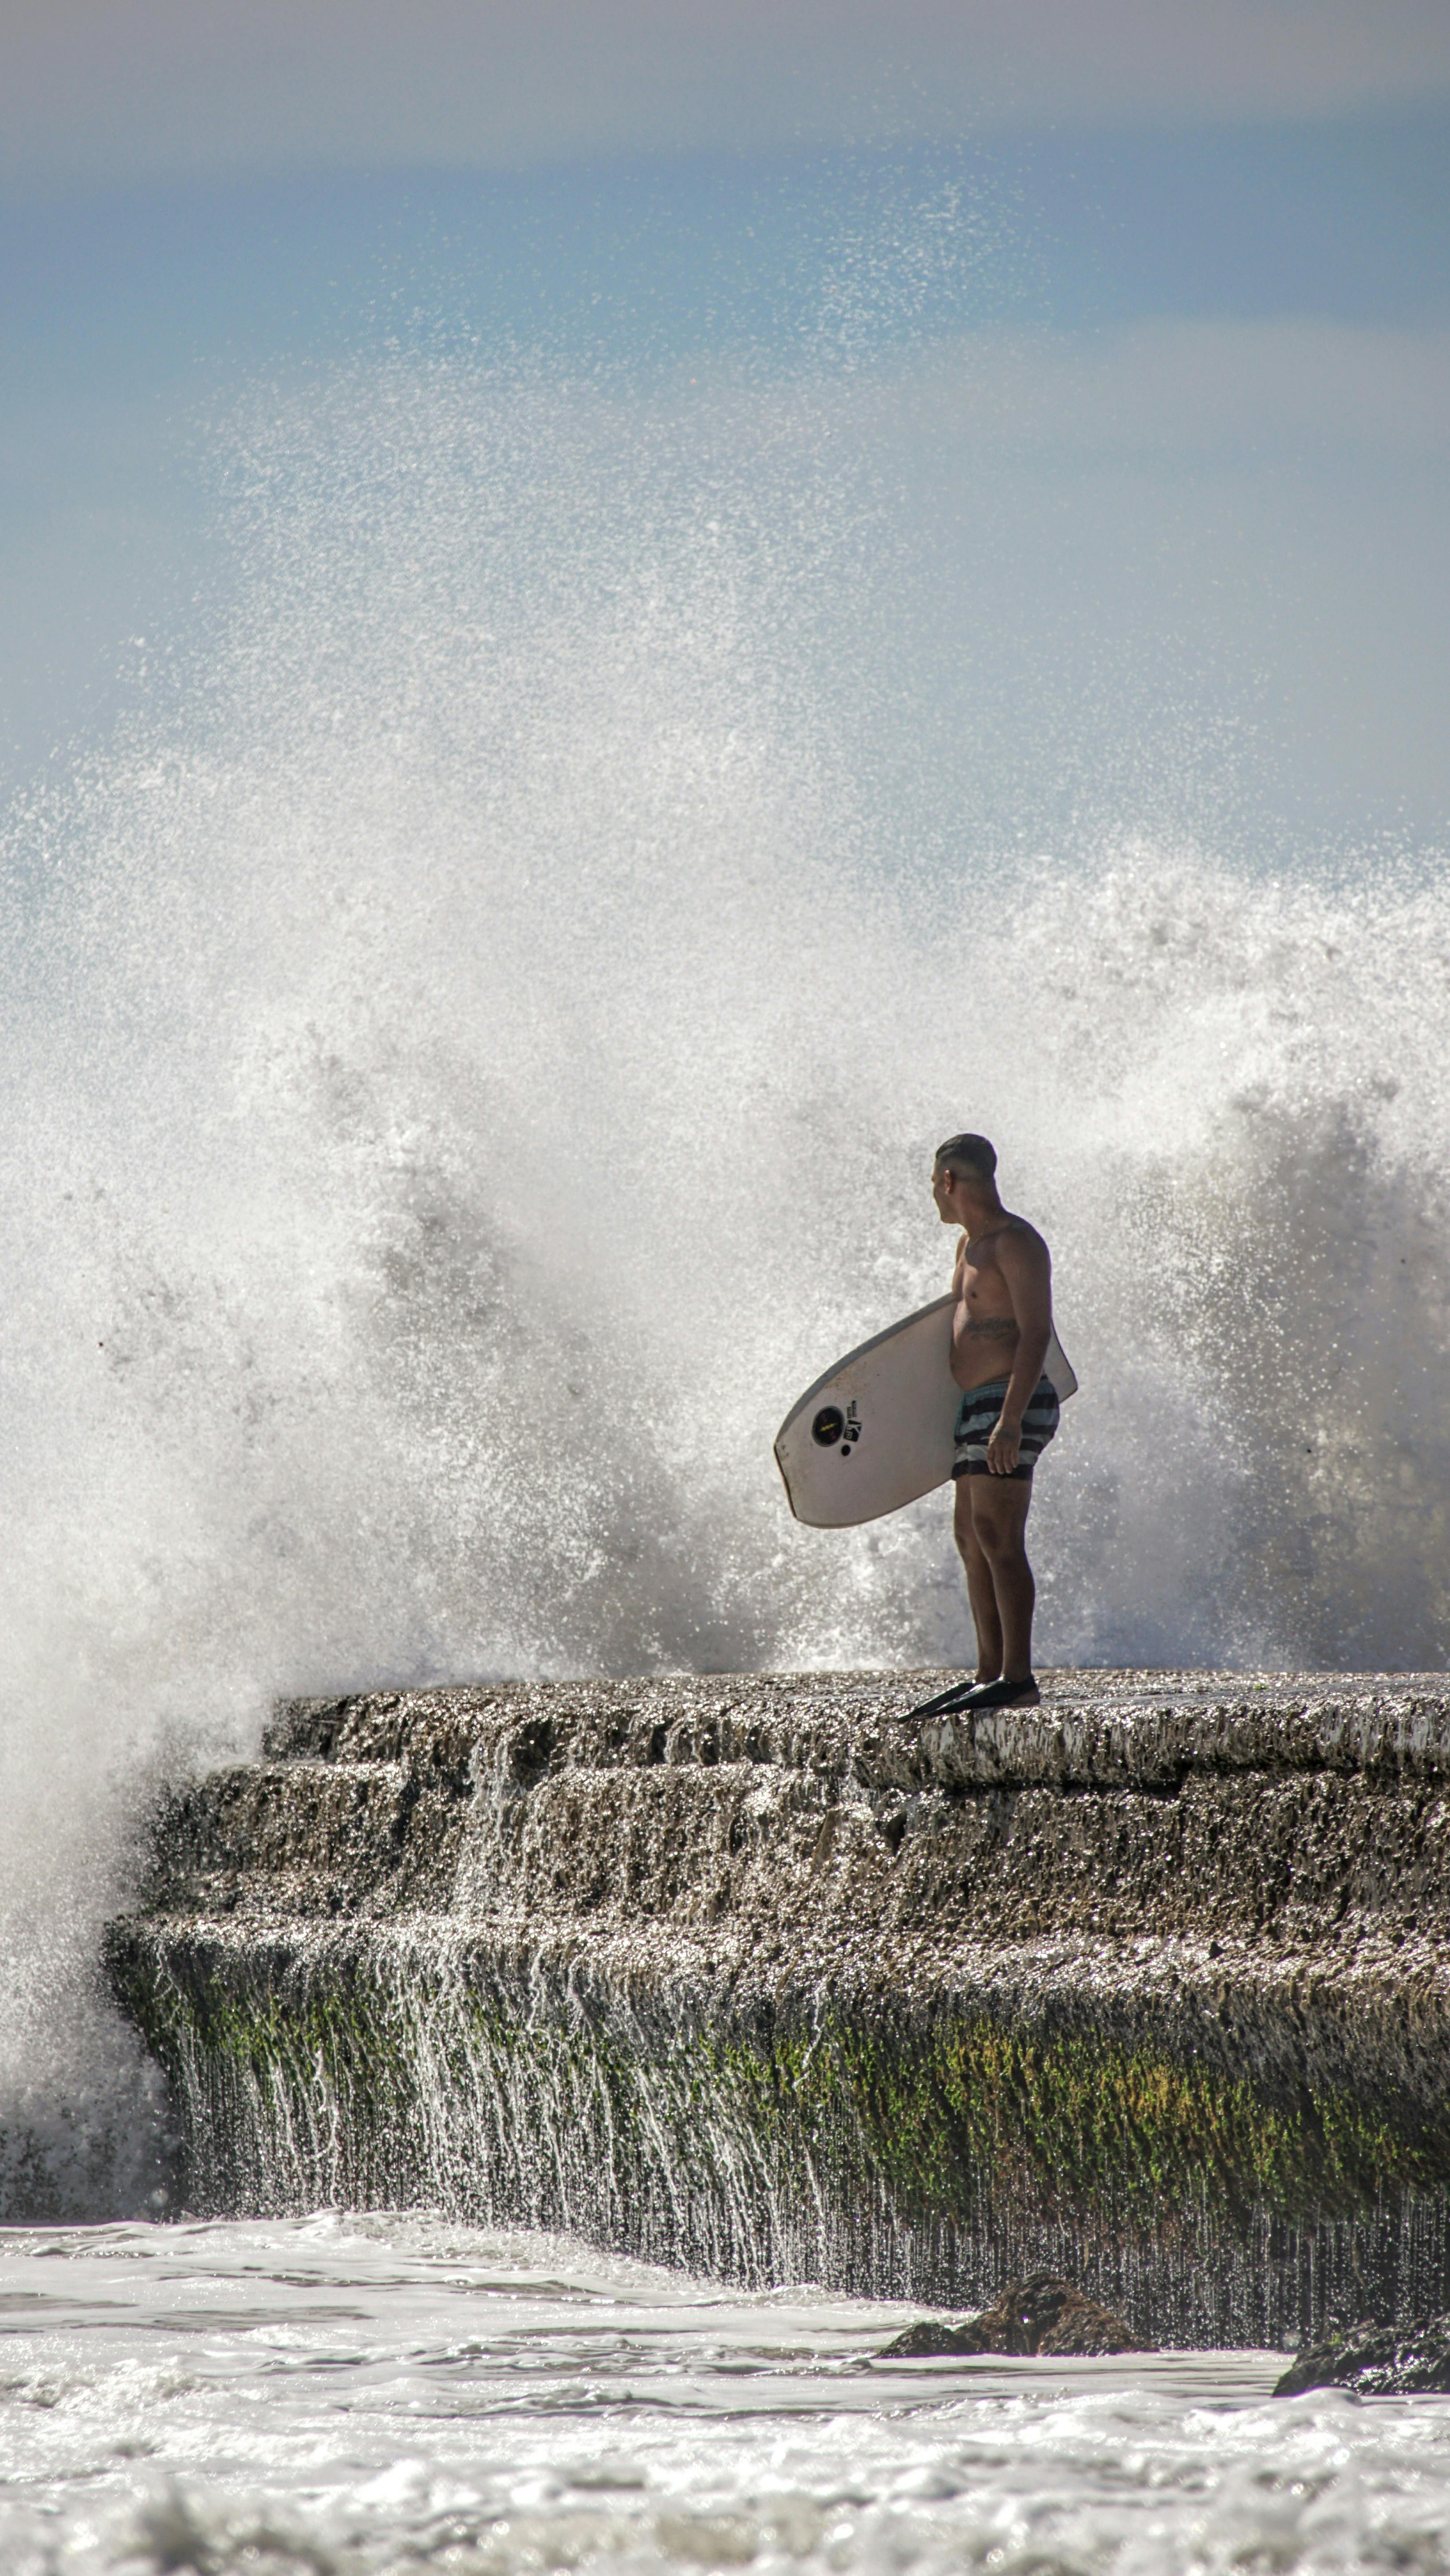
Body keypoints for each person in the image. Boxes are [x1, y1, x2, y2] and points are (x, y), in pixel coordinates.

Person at [931, 1132, 1058, 1711]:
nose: (934, 1196)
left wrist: (1009, 1421)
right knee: (970, 1536)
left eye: (935, 1184)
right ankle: (988, 1671)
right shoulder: (967, 1250)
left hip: (1013, 1402)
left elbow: (1035, 1334)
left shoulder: (1016, 1242)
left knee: (999, 1535)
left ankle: (1018, 1677)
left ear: (950, 1182)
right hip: (973, 1407)